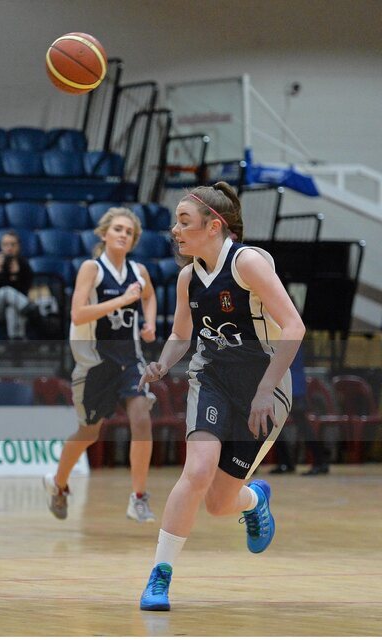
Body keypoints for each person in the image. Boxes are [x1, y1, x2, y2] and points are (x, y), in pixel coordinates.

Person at [136, 182, 305, 611]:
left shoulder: (247, 263)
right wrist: (163, 363)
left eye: (184, 222)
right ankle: (160, 576)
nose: (175, 229)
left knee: (218, 504)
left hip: (262, 386)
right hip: (211, 378)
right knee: (197, 471)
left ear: (215, 226)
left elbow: (294, 327)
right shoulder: (188, 276)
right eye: (176, 222)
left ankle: (254, 499)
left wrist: (266, 389)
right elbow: (180, 334)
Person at [42, 207, 158, 523]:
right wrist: (122, 300)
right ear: (104, 233)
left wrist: (148, 323)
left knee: (142, 420)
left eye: (129, 232)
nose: (123, 234)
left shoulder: (139, 272)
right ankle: (58, 483)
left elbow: (149, 296)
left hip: (130, 360)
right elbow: (78, 314)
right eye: (118, 229)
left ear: (133, 241)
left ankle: (138, 497)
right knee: (89, 432)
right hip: (95, 362)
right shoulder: (92, 269)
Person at [269, 340, 330, 475]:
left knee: (300, 425)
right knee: (276, 425)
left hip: (291, 386)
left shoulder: (288, 332)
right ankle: (287, 462)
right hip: (289, 385)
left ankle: (319, 462)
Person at [0, 230, 35, 340]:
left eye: (12, 244)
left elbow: (25, 290)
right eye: (5, 244)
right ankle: (31, 310)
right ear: (1, 246)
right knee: (5, 291)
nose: (9, 248)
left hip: (17, 304)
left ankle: (16, 343)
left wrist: (16, 275)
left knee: (12, 308)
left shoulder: (23, 264)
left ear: (18, 247)